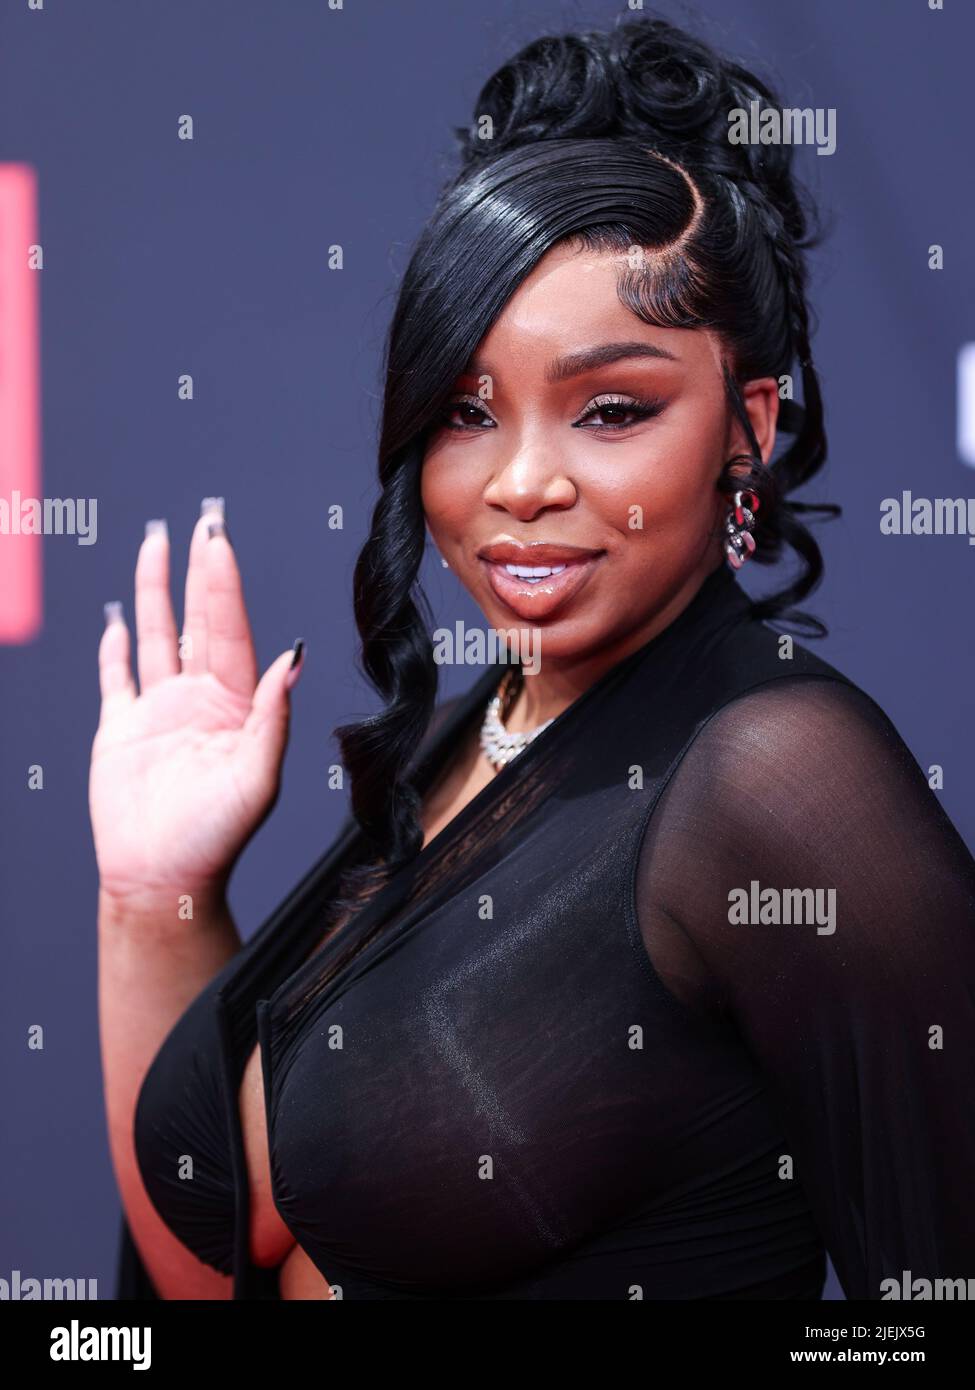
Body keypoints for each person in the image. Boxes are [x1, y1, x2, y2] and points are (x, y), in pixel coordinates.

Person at [90, 15, 975, 1301]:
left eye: (612, 409)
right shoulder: (471, 734)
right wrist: (149, 897)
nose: (520, 482)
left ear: (748, 429)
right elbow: (213, 1264)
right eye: (466, 409)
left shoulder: (776, 785)